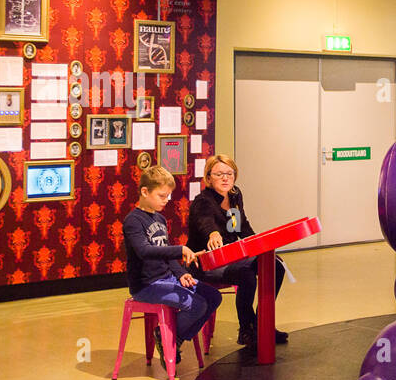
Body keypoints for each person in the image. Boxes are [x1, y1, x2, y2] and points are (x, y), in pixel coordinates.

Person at [122, 165, 221, 364]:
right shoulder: (133, 221)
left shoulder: (159, 218)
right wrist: (180, 249)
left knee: (213, 297)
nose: (167, 200)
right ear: (144, 192)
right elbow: (144, 251)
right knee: (198, 305)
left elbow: (165, 254)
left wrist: (180, 273)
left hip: (166, 278)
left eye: (168, 195)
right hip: (147, 285)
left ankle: (172, 337)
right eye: (162, 195)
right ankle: (168, 336)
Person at [188, 154, 288, 350]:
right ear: (208, 178)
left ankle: (262, 323)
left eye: (229, 173)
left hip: (232, 258)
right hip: (207, 263)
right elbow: (205, 222)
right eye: (219, 174)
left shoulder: (235, 195)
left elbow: (241, 227)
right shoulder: (203, 201)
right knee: (247, 275)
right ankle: (247, 329)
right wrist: (213, 233)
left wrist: (263, 247)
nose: (225, 178)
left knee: (276, 265)